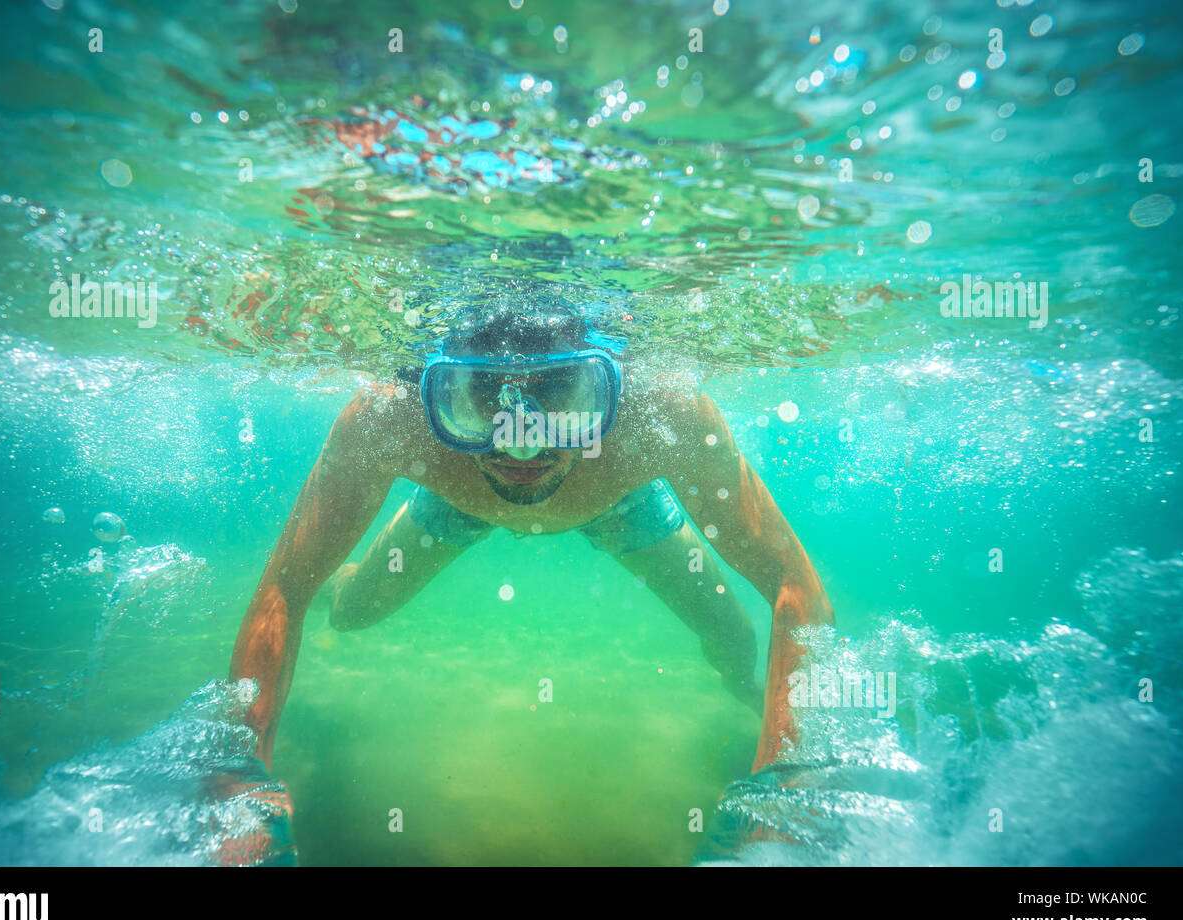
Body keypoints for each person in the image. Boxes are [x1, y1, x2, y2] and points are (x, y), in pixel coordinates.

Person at [228, 298, 834, 792]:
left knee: (735, 638)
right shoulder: (386, 418)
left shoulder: (666, 410)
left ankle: (742, 692)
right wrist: (237, 789)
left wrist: (785, 783)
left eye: (562, 399)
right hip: (460, 500)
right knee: (351, 611)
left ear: (609, 390)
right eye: (480, 401)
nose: (520, 445)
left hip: (619, 505)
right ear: (432, 394)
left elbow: (795, 587)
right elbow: (284, 588)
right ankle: (346, 572)